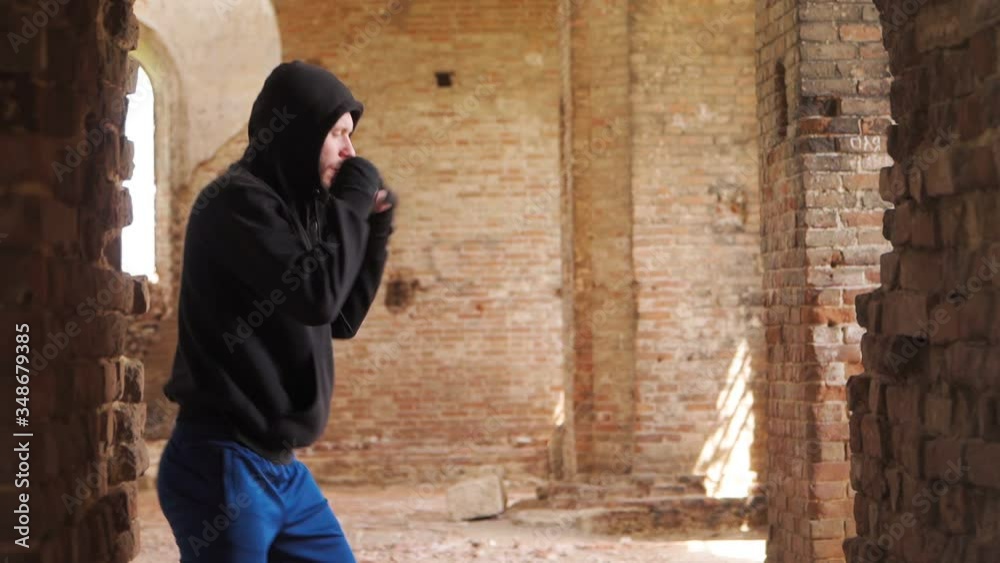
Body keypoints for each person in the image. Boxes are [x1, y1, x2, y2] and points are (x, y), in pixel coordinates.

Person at [156, 60, 395, 562]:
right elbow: (316, 295)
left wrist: (375, 231)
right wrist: (352, 199)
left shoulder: (295, 213)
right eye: (336, 133)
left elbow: (341, 318)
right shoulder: (235, 204)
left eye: (350, 136)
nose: (350, 151)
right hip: (223, 464)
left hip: (281, 470)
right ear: (298, 131)